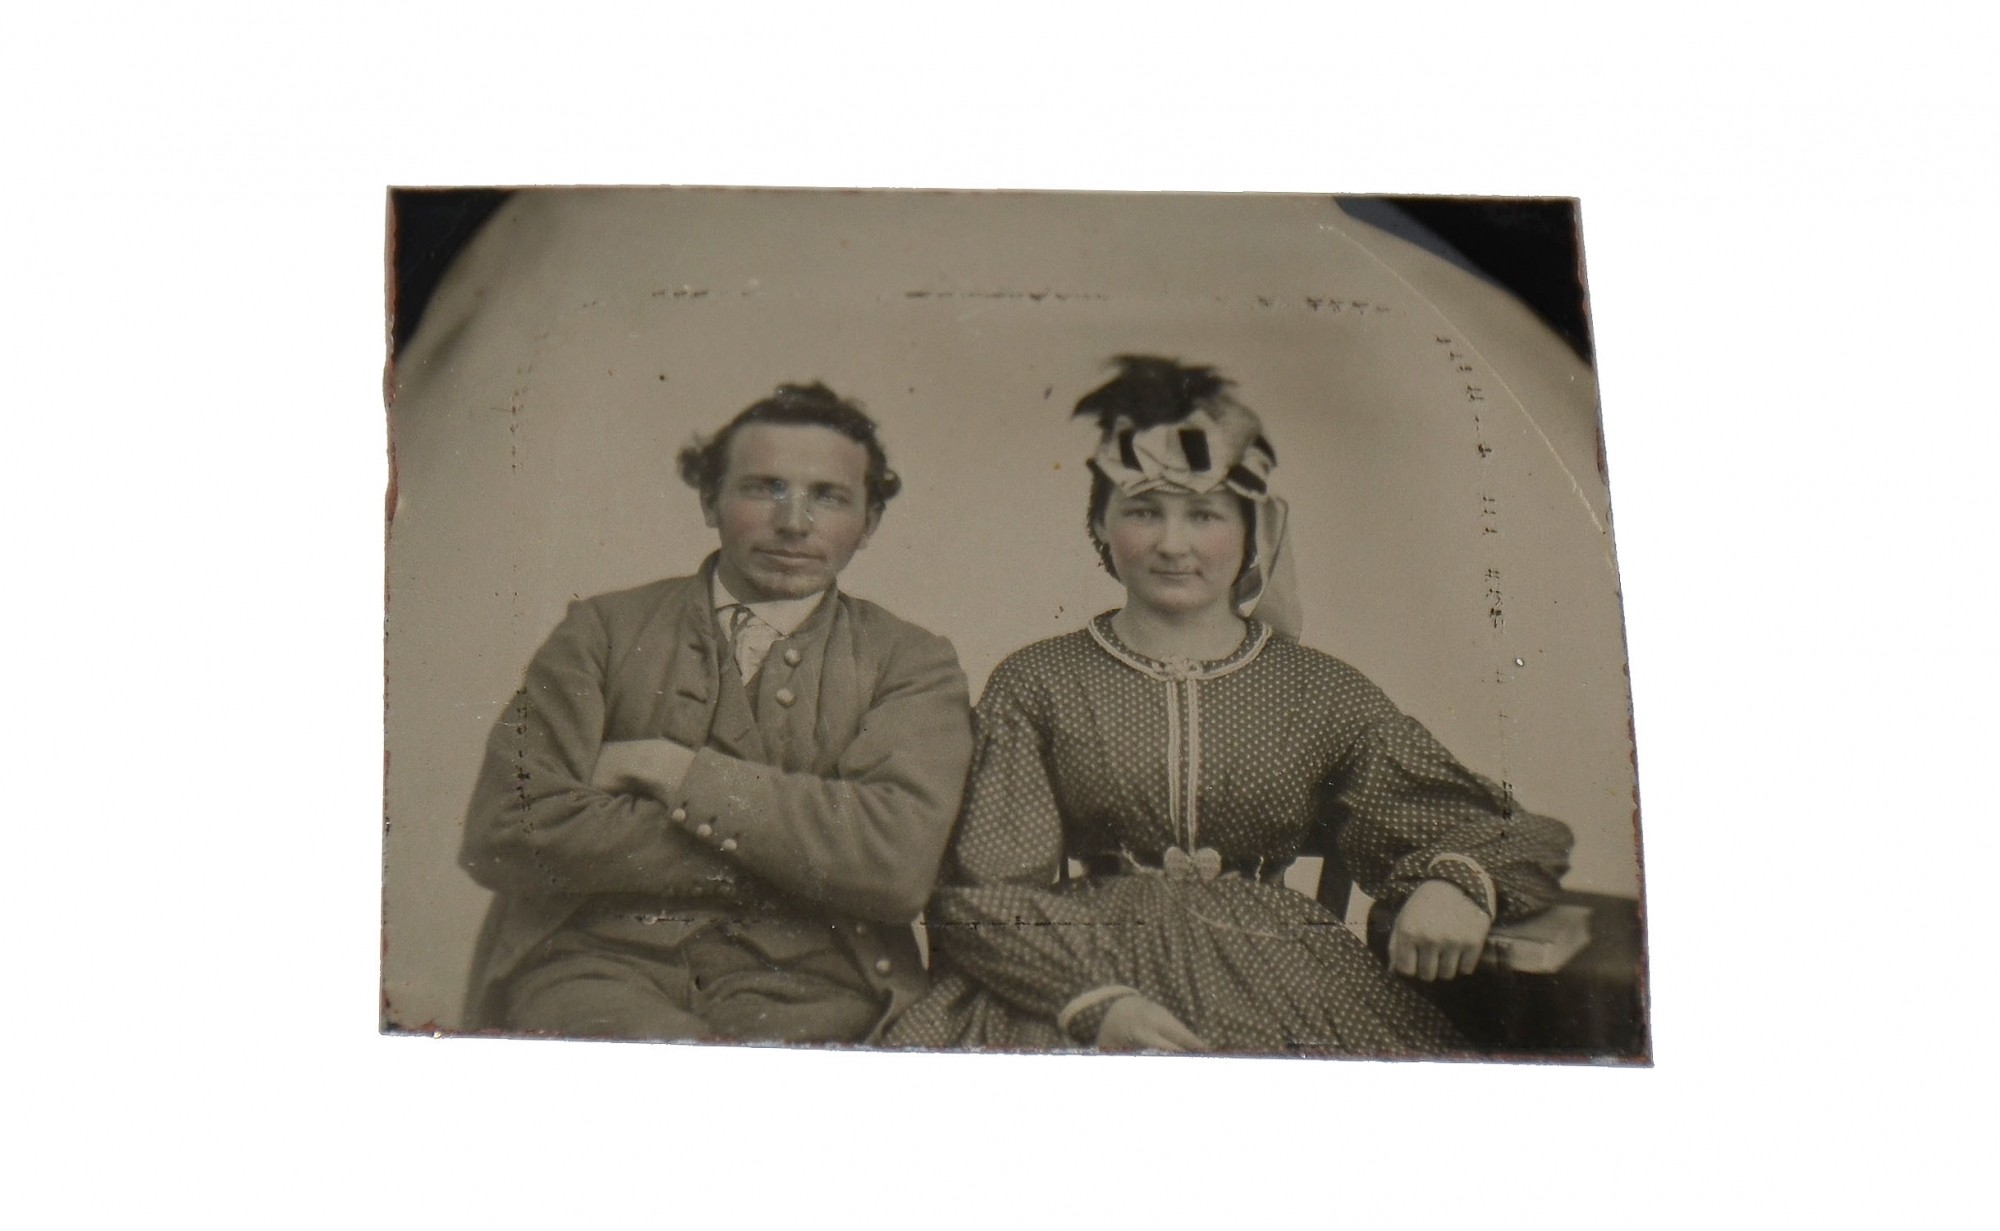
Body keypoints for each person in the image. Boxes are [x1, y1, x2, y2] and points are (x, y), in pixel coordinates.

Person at [887, 356, 1574, 1055]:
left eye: (1205, 514)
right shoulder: (1039, 679)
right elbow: (983, 890)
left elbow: (1494, 829)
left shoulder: (1321, 690)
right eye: (1143, 510)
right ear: (1100, 524)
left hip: (1281, 972)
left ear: (1252, 532)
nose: (1173, 543)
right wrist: (1093, 1002)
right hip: (1082, 974)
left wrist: (1458, 882)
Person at [459, 382, 974, 1043]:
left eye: (829, 496)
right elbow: (506, 830)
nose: (794, 522)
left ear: (869, 521)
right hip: (595, 967)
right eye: (764, 488)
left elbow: (897, 864)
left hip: (819, 983)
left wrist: (674, 771)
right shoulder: (604, 631)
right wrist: (804, 856)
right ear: (710, 499)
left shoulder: (909, 661)